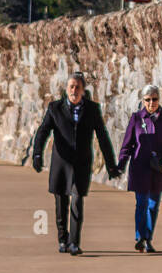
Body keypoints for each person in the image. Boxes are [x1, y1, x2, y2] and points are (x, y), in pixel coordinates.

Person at [32, 72, 121, 256]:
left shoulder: (92, 109)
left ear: (83, 90)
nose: (74, 90)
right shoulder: (55, 108)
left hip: (81, 163)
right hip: (61, 163)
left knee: (77, 201)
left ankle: (74, 242)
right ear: (66, 90)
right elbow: (43, 132)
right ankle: (63, 239)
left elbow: (102, 136)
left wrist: (111, 164)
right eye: (71, 87)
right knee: (61, 203)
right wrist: (37, 155)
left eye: (77, 87)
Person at [117, 84, 162, 253]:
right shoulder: (136, 118)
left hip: (158, 168)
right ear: (143, 100)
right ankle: (141, 237)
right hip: (140, 167)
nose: (151, 103)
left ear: (159, 99)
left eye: (154, 99)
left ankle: (148, 238)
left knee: (153, 205)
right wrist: (121, 164)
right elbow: (128, 144)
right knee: (141, 203)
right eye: (147, 100)